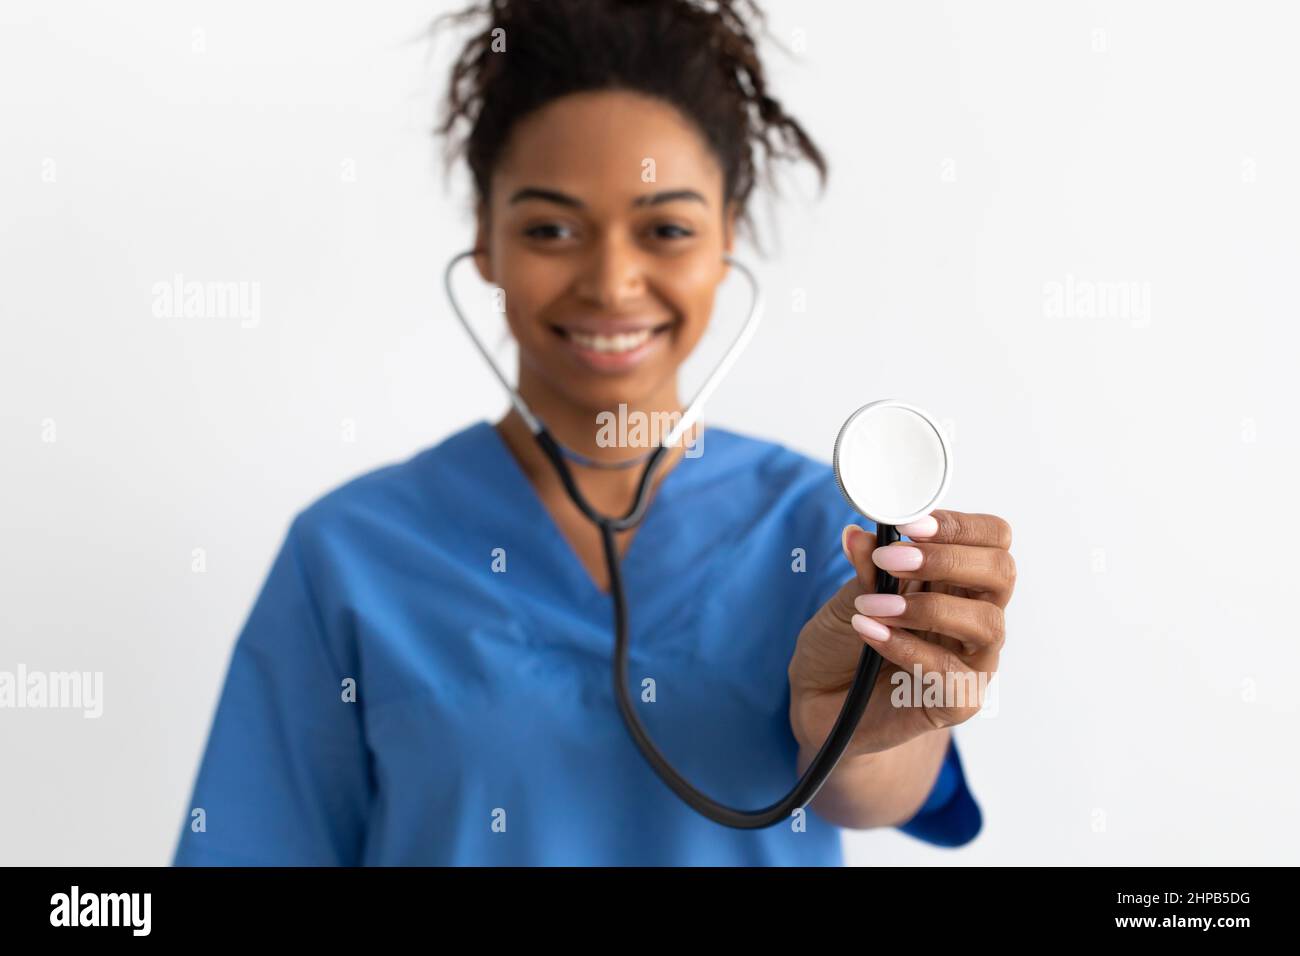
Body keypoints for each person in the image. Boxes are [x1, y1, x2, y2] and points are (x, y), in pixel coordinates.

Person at [172, 0, 1016, 866]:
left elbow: (871, 788)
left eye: (667, 229)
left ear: (727, 238)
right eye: (551, 229)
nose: (612, 281)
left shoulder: (825, 531)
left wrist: (863, 729)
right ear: (486, 246)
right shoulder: (347, 555)